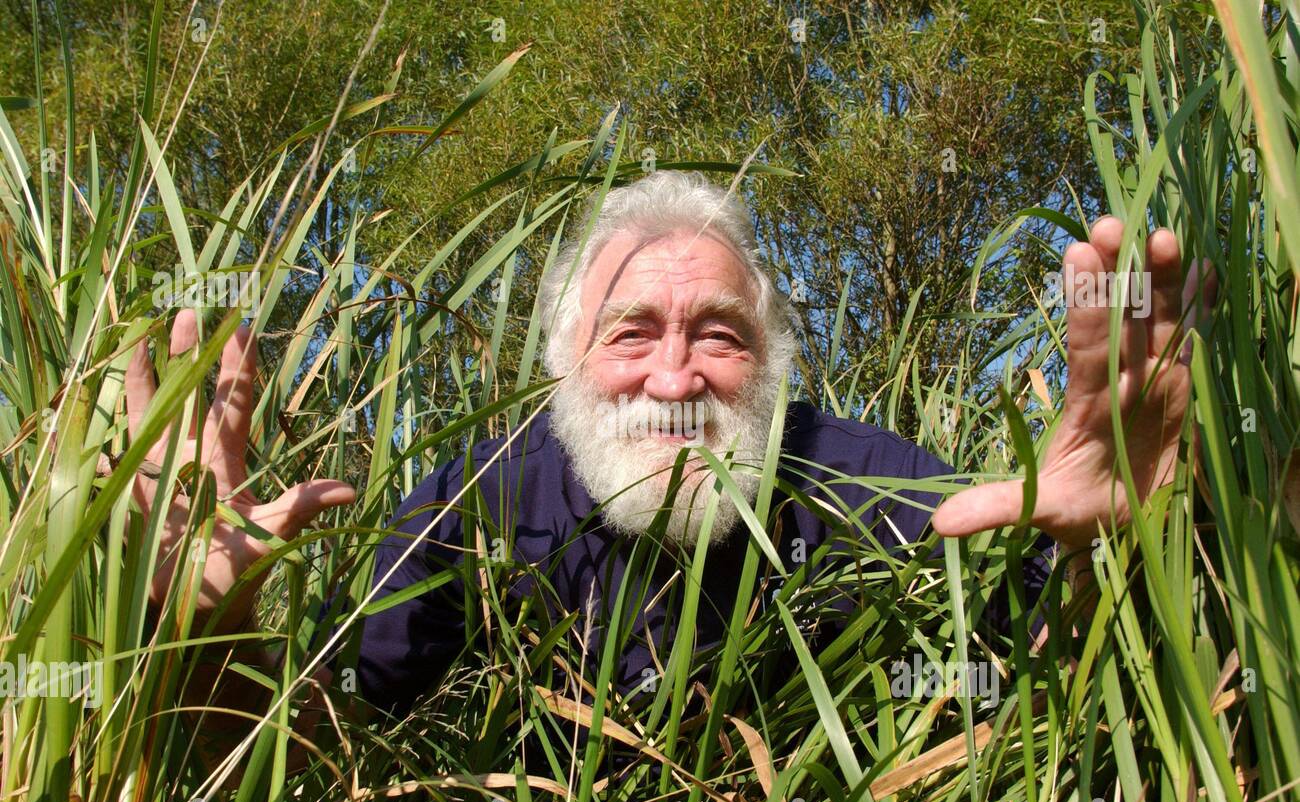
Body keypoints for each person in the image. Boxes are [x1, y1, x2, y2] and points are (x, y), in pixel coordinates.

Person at [125, 170, 1216, 758]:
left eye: (721, 335)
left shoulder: (857, 480)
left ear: (775, 368)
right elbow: (334, 748)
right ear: (563, 365)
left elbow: (1047, 677)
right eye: (631, 331)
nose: (675, 377)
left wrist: (1115, 554)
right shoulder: (481, 494)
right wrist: (205, 624)